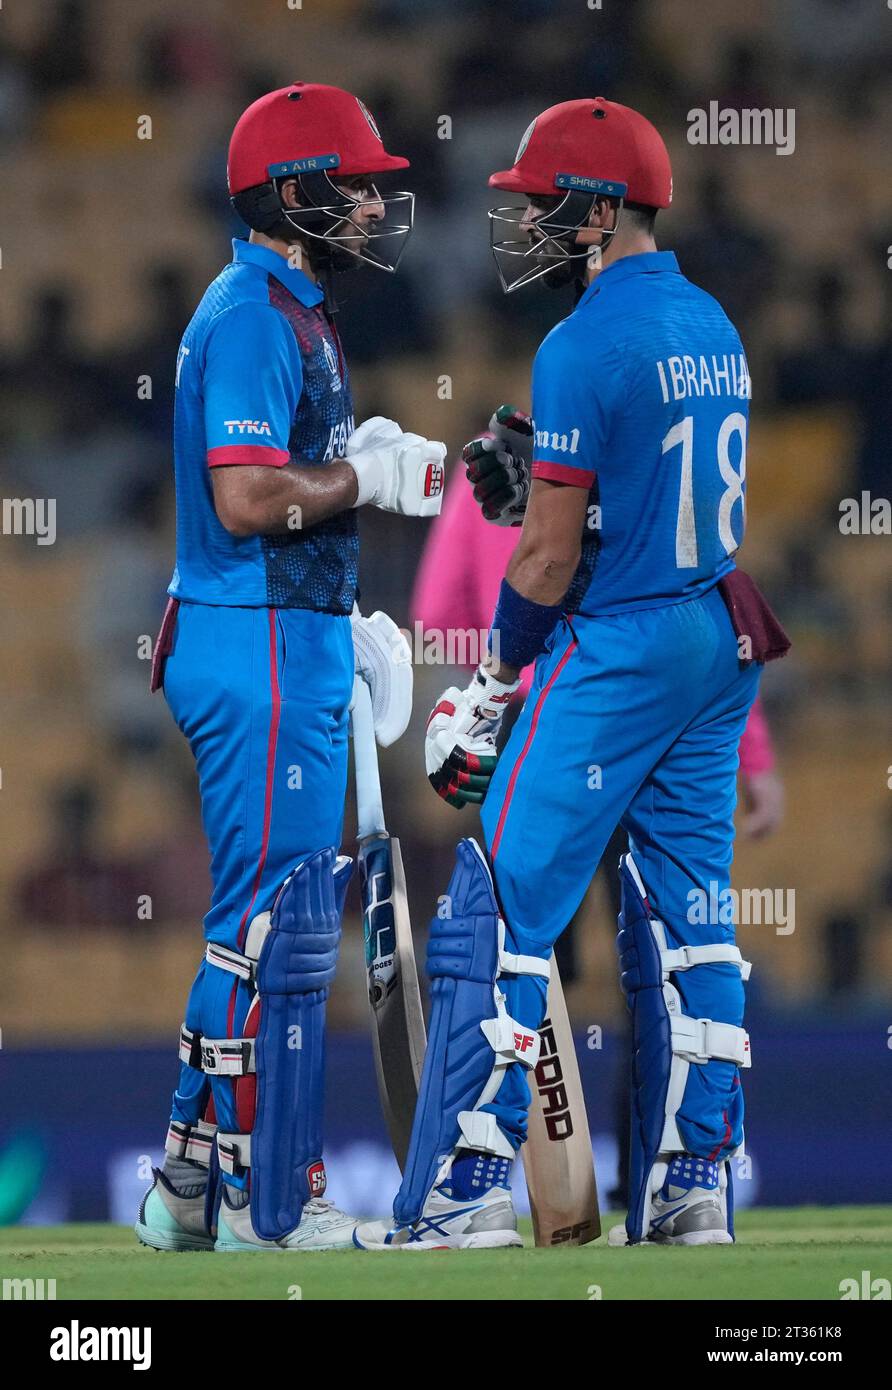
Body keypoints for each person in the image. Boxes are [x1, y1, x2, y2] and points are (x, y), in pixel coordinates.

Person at [356, 97, 788, 1251]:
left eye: (546, 205)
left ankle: (462, 1192)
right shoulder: (711, 322)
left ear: (601, 211)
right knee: (695, 917)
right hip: (716, 632)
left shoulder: (581, 341)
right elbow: (649, 500)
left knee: (496, 903)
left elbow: (544, 553)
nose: (533, 225)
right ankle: (696, 1186)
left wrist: (492, 681)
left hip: (625, 646)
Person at [135, 82, 445, 1254]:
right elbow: (248, 493)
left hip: (278, 630)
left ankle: (185, 1186)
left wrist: (336, 618)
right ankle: (279, 1202)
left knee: (264, 923)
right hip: (253, 634)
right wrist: (362, 481)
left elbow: (278, 487)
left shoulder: (286, 305)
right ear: (294, 191)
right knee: (278, 929)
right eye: (354, 183)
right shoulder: (258, 313)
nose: (372, 203)